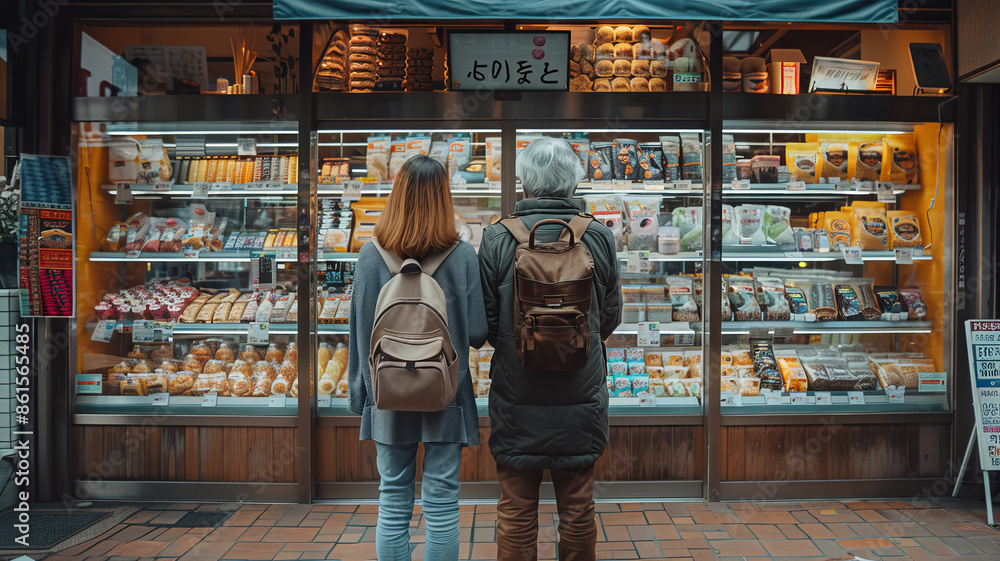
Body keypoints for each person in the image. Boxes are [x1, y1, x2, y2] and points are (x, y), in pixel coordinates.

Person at [478, 137, 623, 561]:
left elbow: (487, 323)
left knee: (516, 508)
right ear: (572, 181)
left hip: (516, 393)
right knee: (578, 507)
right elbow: (609, 318)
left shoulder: (496, 238)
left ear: (524, 181)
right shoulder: (597, 235)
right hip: (582, 392)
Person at [347, 155, 488, 560]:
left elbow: (358, 333)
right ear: (443, 199)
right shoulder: (461, 257)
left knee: (392, 499)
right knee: (442, 503)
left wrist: (362, 398)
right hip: (445, 392)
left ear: (396, 196)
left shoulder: (371, 256)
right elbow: (477, 332)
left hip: (388, 393)